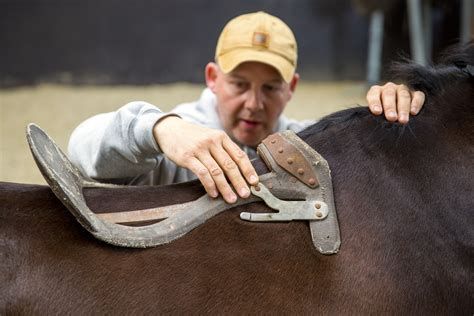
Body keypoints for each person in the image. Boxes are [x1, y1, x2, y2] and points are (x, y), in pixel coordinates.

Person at [68, 11, 425, 204]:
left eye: (270, 88)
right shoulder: (177, 143)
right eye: (239, 85)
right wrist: (159, 129)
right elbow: (80, 149)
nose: (254, 104)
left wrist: (394, 116)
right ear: (212, 78)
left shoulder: (308, 143)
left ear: (292, 88)